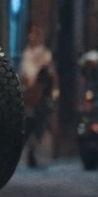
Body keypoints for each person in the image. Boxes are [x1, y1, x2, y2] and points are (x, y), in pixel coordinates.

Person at [18, 28, 58, 168]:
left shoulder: (44, 54)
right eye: (31, 35)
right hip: (29, 95)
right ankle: (31, 154)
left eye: (35, 35)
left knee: (40, 125)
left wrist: (49, 91)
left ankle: (39, 153)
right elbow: (24, 73)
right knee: (30, 125)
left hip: (40, 96)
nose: (32, 38)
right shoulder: (27, 53)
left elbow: (49, 75)